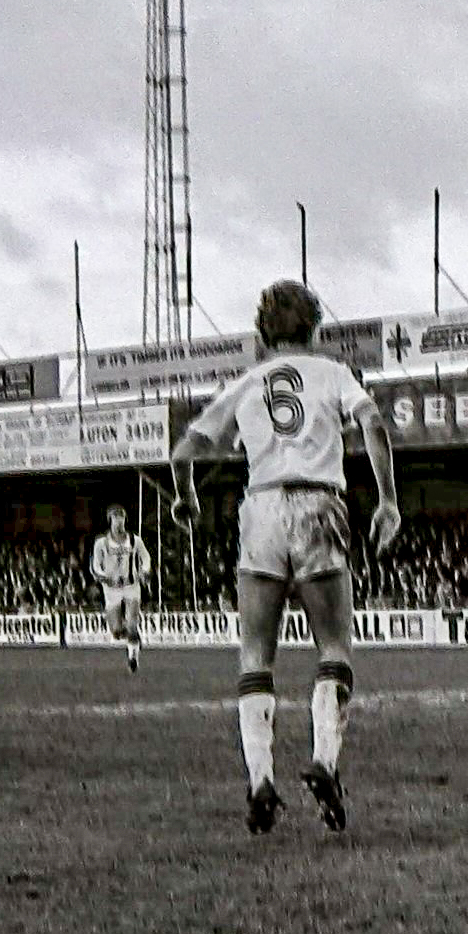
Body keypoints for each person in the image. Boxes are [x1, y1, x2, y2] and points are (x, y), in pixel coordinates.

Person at [170, 279, 403, 835]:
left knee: (256, 655)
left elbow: (183, 451)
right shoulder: (332, 373)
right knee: (333, 647)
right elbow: (372, 422)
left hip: (262, 508)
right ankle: (324, 760)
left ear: (261, 334)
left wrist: (187, 497)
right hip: (319, 502)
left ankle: (260, 780)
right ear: (314, 329)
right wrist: (388, 500)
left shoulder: (246, 383)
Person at [90, 503, 152, 672]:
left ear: (125, 520)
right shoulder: (102, 543)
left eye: (122, 518)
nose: (119, 521)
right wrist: (103, 576)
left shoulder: (134, 540)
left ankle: (133, 657)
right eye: (115, 518)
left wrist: (144, 571)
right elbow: (96, 565)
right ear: (110, 520)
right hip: (111, 589)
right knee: (116, 631)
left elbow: (146, 557)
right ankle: (131, 636)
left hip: (131, 585)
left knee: (132, 623)